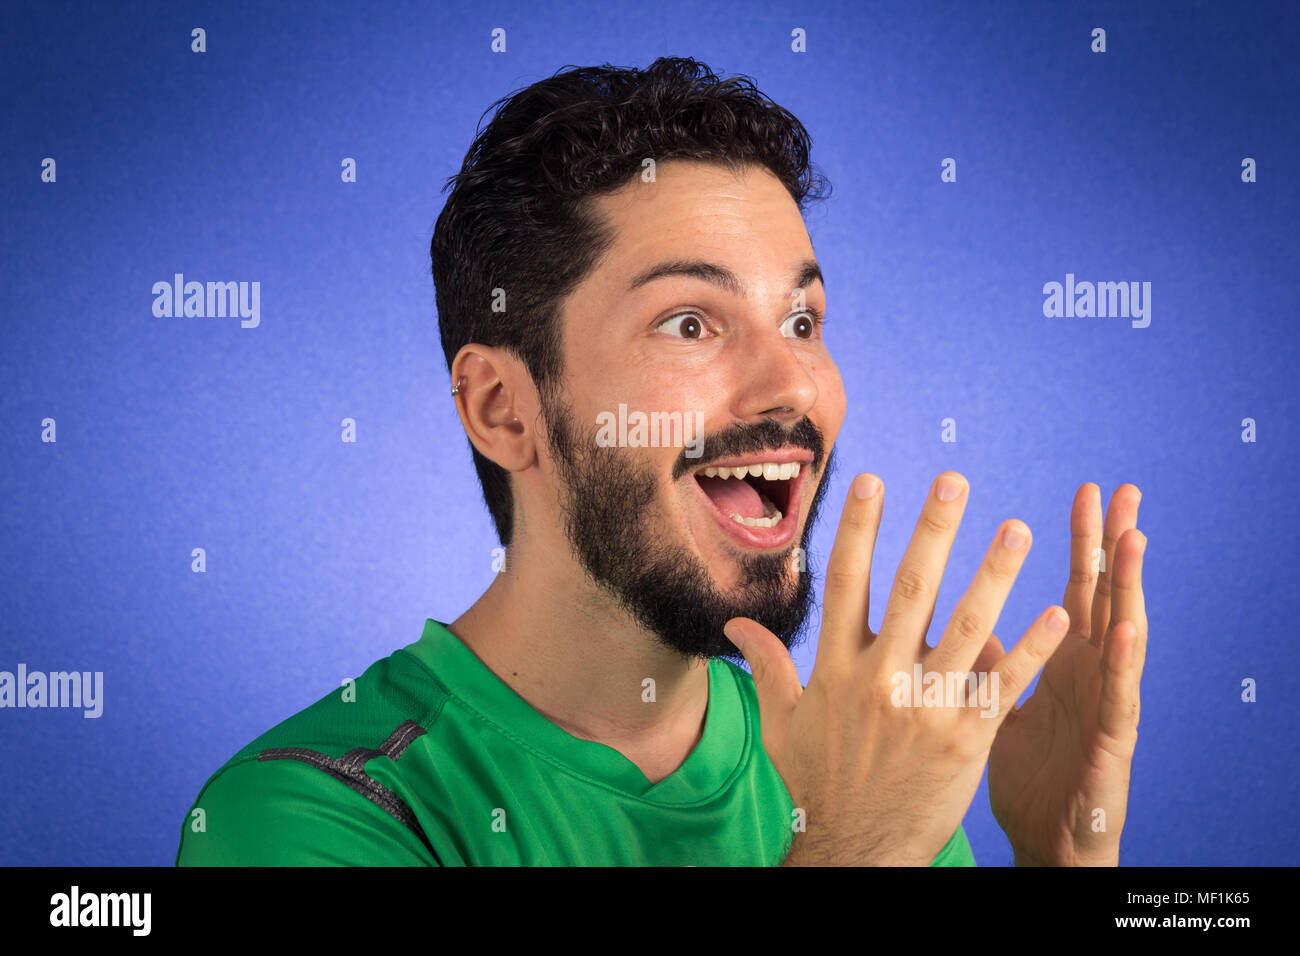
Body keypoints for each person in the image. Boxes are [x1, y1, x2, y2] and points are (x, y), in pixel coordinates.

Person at [176, 57, 1147, 866]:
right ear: (504, 409)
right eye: (691, 321)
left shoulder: (855, 758)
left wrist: (1065, 859)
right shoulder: (317, 814)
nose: (795, 385)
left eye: (801, 319)